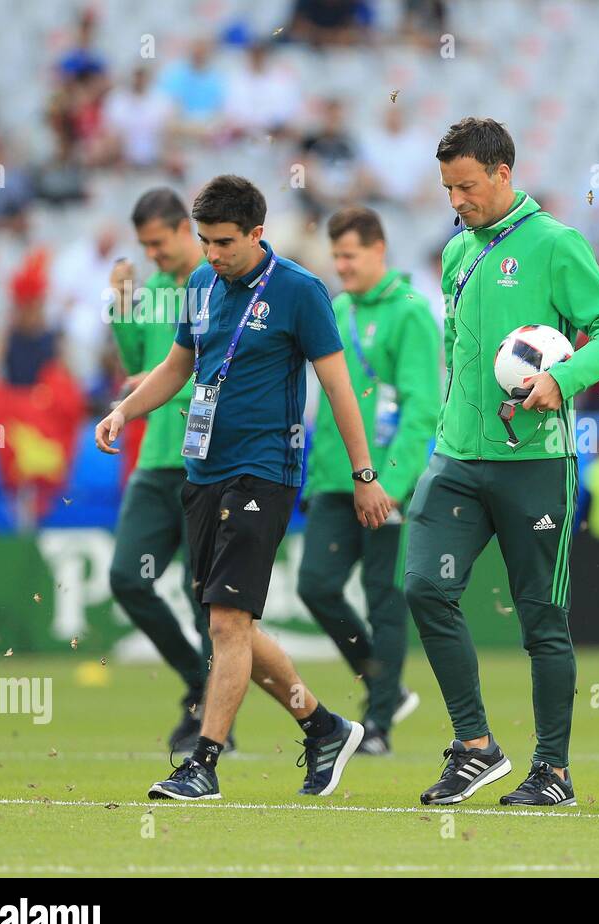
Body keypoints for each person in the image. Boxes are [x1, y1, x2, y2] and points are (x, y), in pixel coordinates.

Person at [94, 175, 393, 800]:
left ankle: (203, 760)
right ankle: (324, 726)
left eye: (224, 242)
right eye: (203, 241)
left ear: (259, 233)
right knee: (228, 624)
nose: (211, 254)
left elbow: (340, 388)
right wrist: (127, 408)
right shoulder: (201, 285)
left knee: (228, 620)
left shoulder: (300, 292)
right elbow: (178, 367)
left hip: (265, 471)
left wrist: (366, 476)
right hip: (202, 471)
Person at [405, 117, 599, 807]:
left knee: (541, 619)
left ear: (504, 173)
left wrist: (558, 380)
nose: (457, 201)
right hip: (456, 459)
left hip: (535, 462)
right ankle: (475, 746)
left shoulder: (557, 245)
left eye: (467, 186)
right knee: (423, 586)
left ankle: (554, 772)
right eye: (448, 187)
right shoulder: (454, 254)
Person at [298, 206, 441, 754]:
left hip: (384, 483)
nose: (341, 265)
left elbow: (420, 407)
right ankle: (386, 683)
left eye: (349, 255)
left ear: (379, 250)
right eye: (335, 256)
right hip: (336, 478)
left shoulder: (411, 313)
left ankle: (378, 722)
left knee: (384, 594)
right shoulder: (334, 309)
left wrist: (394, 481)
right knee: (315, 583)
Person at [106, 188, 217, 753]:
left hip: (204, 459)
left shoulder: (216, 285)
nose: (153, 255)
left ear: (182, 230)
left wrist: (158, 371)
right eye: (144, 246)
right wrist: (123, 306)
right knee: (127, 577)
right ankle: (200, 683)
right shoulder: (150, 292)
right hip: (155, 463)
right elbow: (134, 366)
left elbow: (198, 365)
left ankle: (211, 722)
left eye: (158, 243)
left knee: (203, 594)